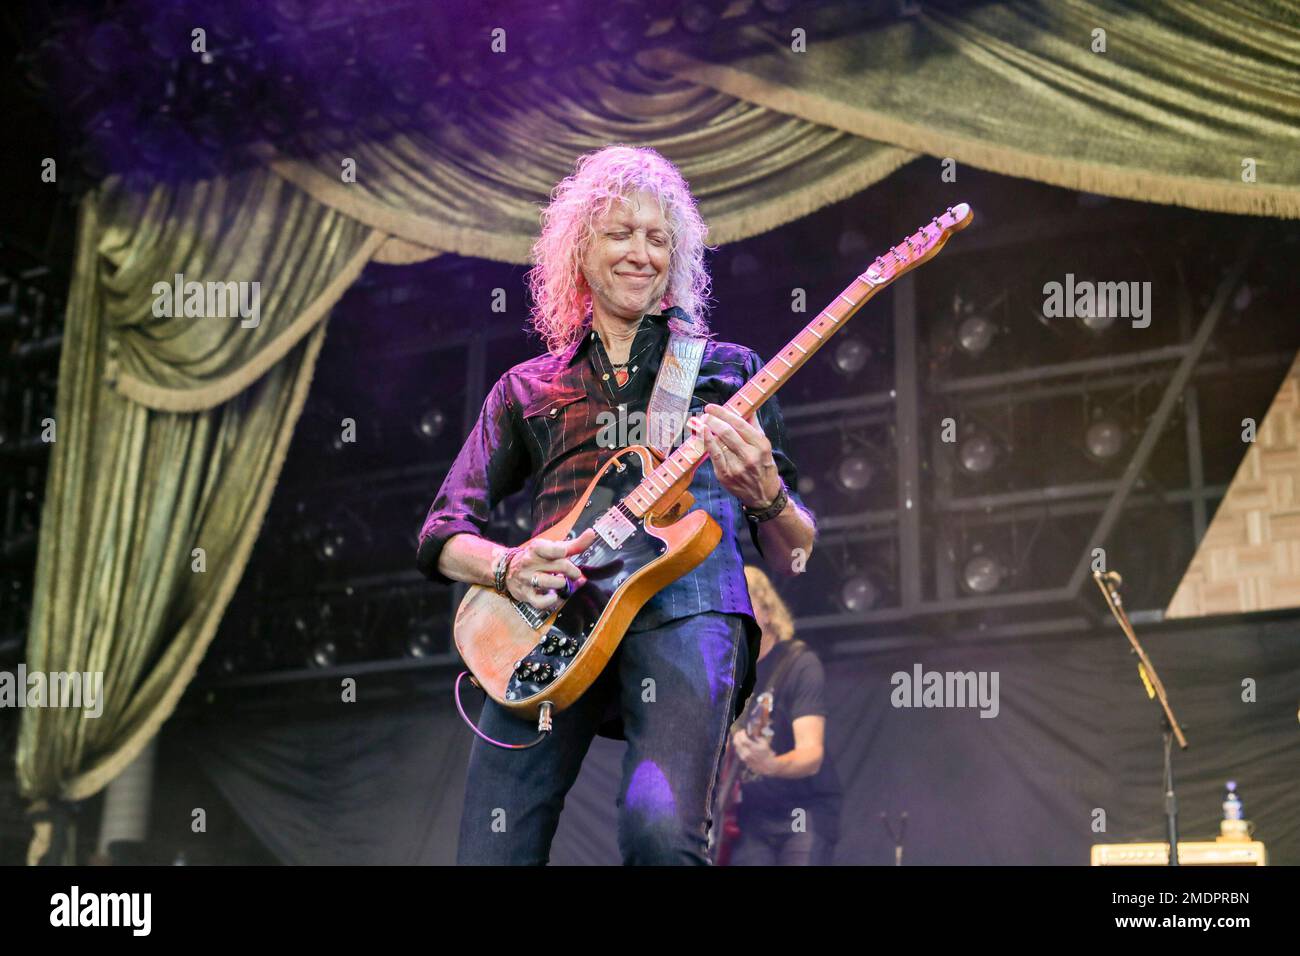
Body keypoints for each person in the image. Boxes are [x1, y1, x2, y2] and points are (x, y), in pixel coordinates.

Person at [416, 145, 817, 865]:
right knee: (488, 851)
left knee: (657, 833)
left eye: (659, 238)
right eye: (621, 233)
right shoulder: (526, 388)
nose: (642, 252)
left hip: (687, 609)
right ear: (580, 249)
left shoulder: (726, 370)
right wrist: (508, 568)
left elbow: (795, 550)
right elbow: (442, 533)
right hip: (551, 622)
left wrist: (769, 496)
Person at [722, 565, 842, 865]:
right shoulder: (728, 676)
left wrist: (771, 764)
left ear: (767, 609)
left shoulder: (799, 665)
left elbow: (811, 754)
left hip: (804, 808)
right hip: (748, 816)